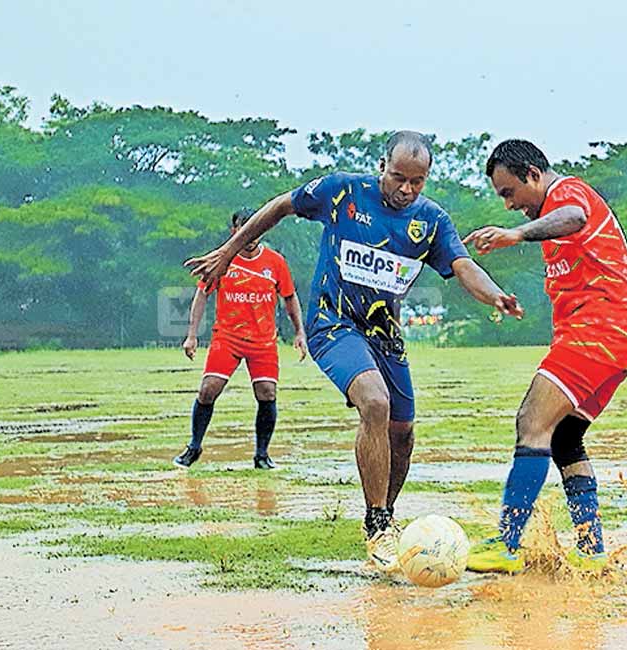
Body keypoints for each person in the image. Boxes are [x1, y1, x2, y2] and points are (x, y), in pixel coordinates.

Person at [185, 131, 523, 570]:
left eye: (416, 182)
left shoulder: (432, 220)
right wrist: (230, 252)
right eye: (399, 178)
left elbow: (462, 265)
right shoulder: (342, 190)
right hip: (333, 321)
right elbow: (280, 206)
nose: (406, 190)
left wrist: (495, 294)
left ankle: (383, 526)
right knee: (375, 403)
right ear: (382, 165)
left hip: (384, 333)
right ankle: (379, 524)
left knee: (403, 434)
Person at [462, 139, 627, 573]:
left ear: (532, 174)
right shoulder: (549, 217)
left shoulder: (566, 193)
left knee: (532, 421)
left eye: (509, 193)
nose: (508, 206)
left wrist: (517, 234)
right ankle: (591, 550)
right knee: (564, 438)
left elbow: (574, 216)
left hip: (601, 330)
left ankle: (506, 545)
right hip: (613, 335)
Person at [174, 208, 306, 470]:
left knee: (267, 393)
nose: (251, 235)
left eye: (255, 228)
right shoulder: (223, 260)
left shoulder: (275, 262)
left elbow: (289, 297)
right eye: (243, 228)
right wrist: (191, 335)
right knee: (208, 389)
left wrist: (299, 332)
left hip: (263, 341)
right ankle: (194, 447)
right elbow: (202, 295)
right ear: (234, 230)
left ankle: (262, 455)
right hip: (227, 338)